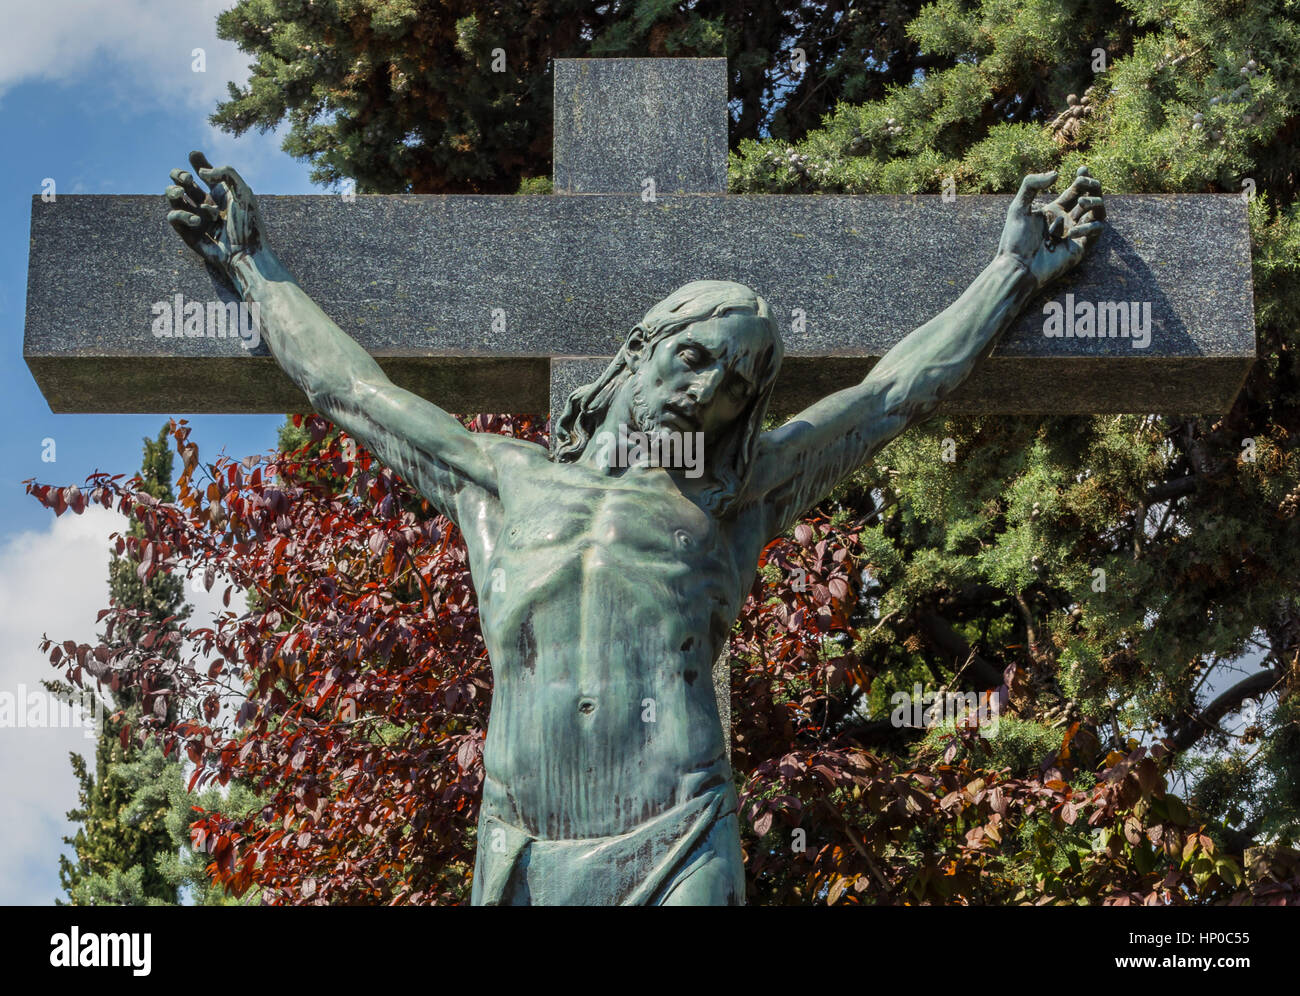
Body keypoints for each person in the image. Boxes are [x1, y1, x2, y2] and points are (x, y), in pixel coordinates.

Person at [165, 152, 1104, 904]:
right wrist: (249, 265)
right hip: (523, 844)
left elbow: (891, 393)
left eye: (739, 387)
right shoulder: (500, 481)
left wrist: (1011, 269)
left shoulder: (731, 499)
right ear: (637, 354)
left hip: (679, 837)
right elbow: (351, 389)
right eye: (695, 359)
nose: (709, 393)